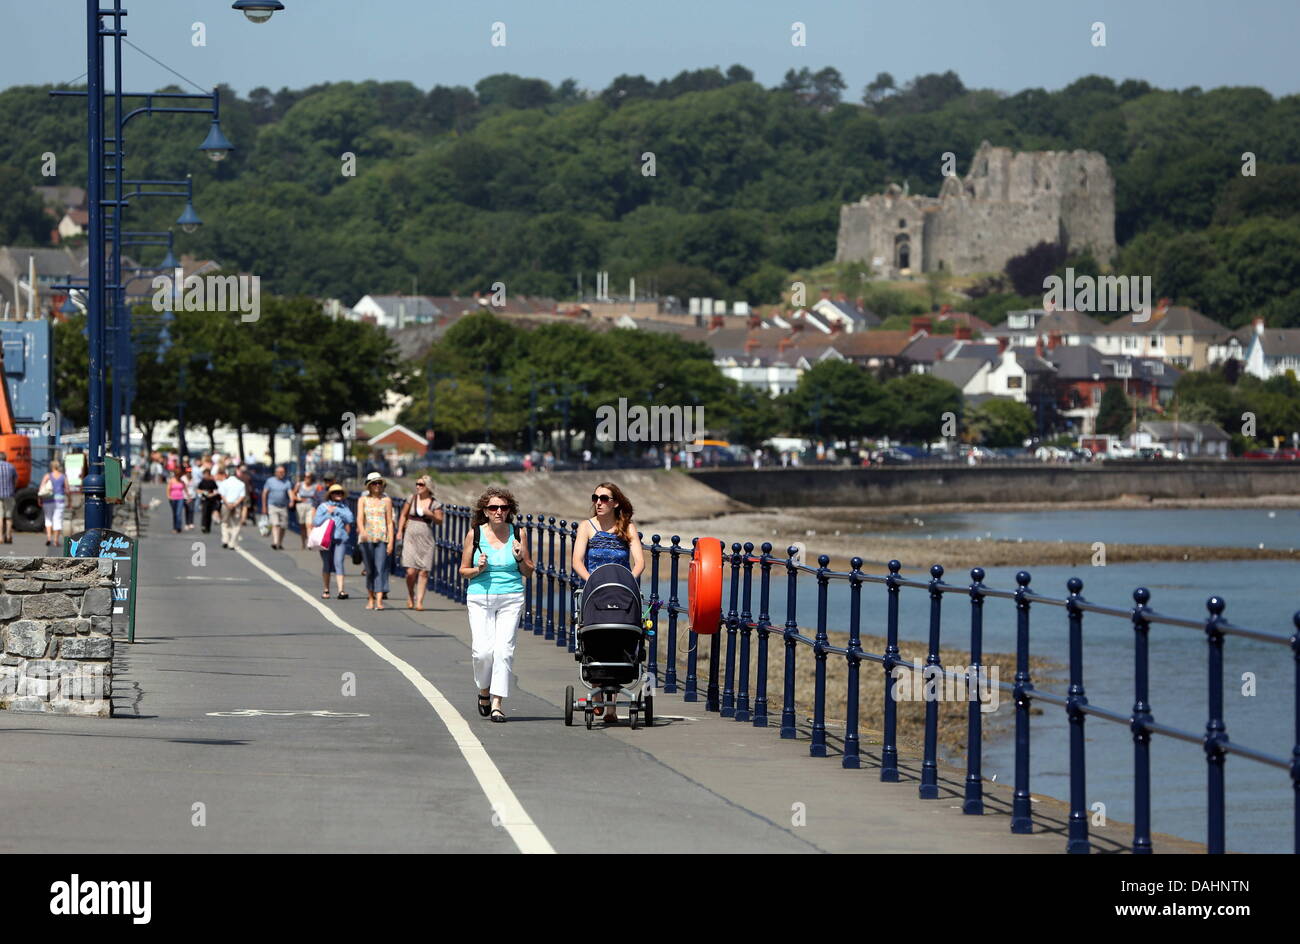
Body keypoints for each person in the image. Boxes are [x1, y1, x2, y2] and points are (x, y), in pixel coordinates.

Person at [570, 482, 644, 722]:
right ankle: (599, 695)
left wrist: (627, 583)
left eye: (603, 498)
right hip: (594, 593)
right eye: (595, 498)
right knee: (595, 638)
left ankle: (611, 706)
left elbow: (640, 562)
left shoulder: (628, 528)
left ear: (615, 503)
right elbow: (577, 561)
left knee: (619, 639)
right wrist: (593, 582)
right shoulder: (586, 527)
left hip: (621, 593)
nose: (598, 502)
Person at [459, 487, 534, 723]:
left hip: (511, 597)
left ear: (510, 510)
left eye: (503, 507)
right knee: (482, 652)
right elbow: (463, 571)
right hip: (480, 597)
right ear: (485, 511)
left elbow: (529, 572)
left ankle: (497, 703)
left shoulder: (518, 533)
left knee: (503, 651)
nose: (499, 511)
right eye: (493, 507)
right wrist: (478, 569)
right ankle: (483, 690)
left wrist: (521, 557)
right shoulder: (475, 535)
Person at [396, 475, 443, 610]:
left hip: (426, 540)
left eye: (421, 484)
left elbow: (440, 521)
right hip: (410, 538)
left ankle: (419, 601)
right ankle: (411, 594)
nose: (418, 486)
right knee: (410, 572)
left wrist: (431, 515)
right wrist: (399, 531)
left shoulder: (435, 503)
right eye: (417, 484)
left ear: (427, 487)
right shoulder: (411, 499)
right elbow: (403, 515)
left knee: (423, 572)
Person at [356, 471, 395, 610]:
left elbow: (390, 522)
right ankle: (370, 598)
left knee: (380, 568)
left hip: (382, 539)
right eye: (374, 483)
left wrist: (391, 542)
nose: (377, 486)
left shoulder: (386, 500)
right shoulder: (363, 500)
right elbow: (360, 519)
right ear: (369, 486)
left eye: (379, 483)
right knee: (370, 570)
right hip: (367, 540)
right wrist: (363, 532)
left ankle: (379, 600)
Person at [314, 483, 354, 599]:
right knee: (327, 563)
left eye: (340, 493)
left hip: (340, 538)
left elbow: (350, 518)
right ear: (330, 495)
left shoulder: (344, 507)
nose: (339, 495)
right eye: (336, 493)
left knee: (339, 563)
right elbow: (316, 522)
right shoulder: (323, 506)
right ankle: (326, 589)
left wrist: (337, 510)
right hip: (326, 539)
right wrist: (328, 514)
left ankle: (341, 590)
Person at [261, 464, 293, 550]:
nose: (281, 474)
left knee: (283, 526)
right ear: (276, 473)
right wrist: (264, 506)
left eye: (283, 472)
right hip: (272, 505)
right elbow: (264, 493)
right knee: (275, 524)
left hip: (283, 506)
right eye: (280, 472)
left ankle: (279, 542)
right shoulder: (270, 481)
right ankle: (275, 542)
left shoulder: (287, 482)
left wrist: (291, 500)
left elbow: (290, 493)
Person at [39, 460, 68, 548]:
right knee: (57, 520)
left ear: (51, 467)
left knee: (48, 519)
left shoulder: (47, 476)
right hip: (59, 501)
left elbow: (41, 488)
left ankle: (48, 538)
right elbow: (68, 490)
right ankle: (55, 540)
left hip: (48, 500)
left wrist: (39, 499)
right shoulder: (63, 476)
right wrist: (69, 501)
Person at [217, 465, 247, 549]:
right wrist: (235, 504)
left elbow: (222, 495)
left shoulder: (224, 483)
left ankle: (225, 539)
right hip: (236, 505)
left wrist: (227, 503)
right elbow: (242, 496)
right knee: (236, 524)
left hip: (226, 504)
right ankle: (232, 542)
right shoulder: (241, 484)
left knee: (224, 522)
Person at [293, 471, 319, 549]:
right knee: (302, 526)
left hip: (311, 506)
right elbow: (293, 494)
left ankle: (309, 542)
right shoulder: (299, 485)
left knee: (309, 525)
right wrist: (298, 498)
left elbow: (320, 495)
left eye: (309, 477)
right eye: (305, 477)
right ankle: (303, 542)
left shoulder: (315, 486)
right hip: (300, 506)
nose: (307, 479)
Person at [0, 450, 16, 544]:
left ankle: (0, 537)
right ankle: (9, 536)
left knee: (0, 517)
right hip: (9, 494)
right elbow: (15, 480)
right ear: (5, 458)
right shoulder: (11, 467)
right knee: (9, 517)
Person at [197, 466, 219, 533]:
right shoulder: (202, 482)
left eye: (207, 474)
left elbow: (216, 490)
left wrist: (212, 494)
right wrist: (203, 492)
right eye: (204, 474)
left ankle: (208, 527)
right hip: (204, 499)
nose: (205, 475)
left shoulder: (212, 482)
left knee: (209, 514)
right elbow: (198, 490)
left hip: (211, 499)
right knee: (204, 513)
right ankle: (203, 526)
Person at [167, 466, 186, 534]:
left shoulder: (182, 481)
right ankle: (175, 527)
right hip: (173, 498)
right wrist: (169, 496)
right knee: (175, 513)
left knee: (179, 513)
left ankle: (178, 527)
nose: (178, 476)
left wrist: (188, 497)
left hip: (180, 498)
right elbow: (168, 489)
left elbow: (185, 489)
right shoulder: (171, 480)